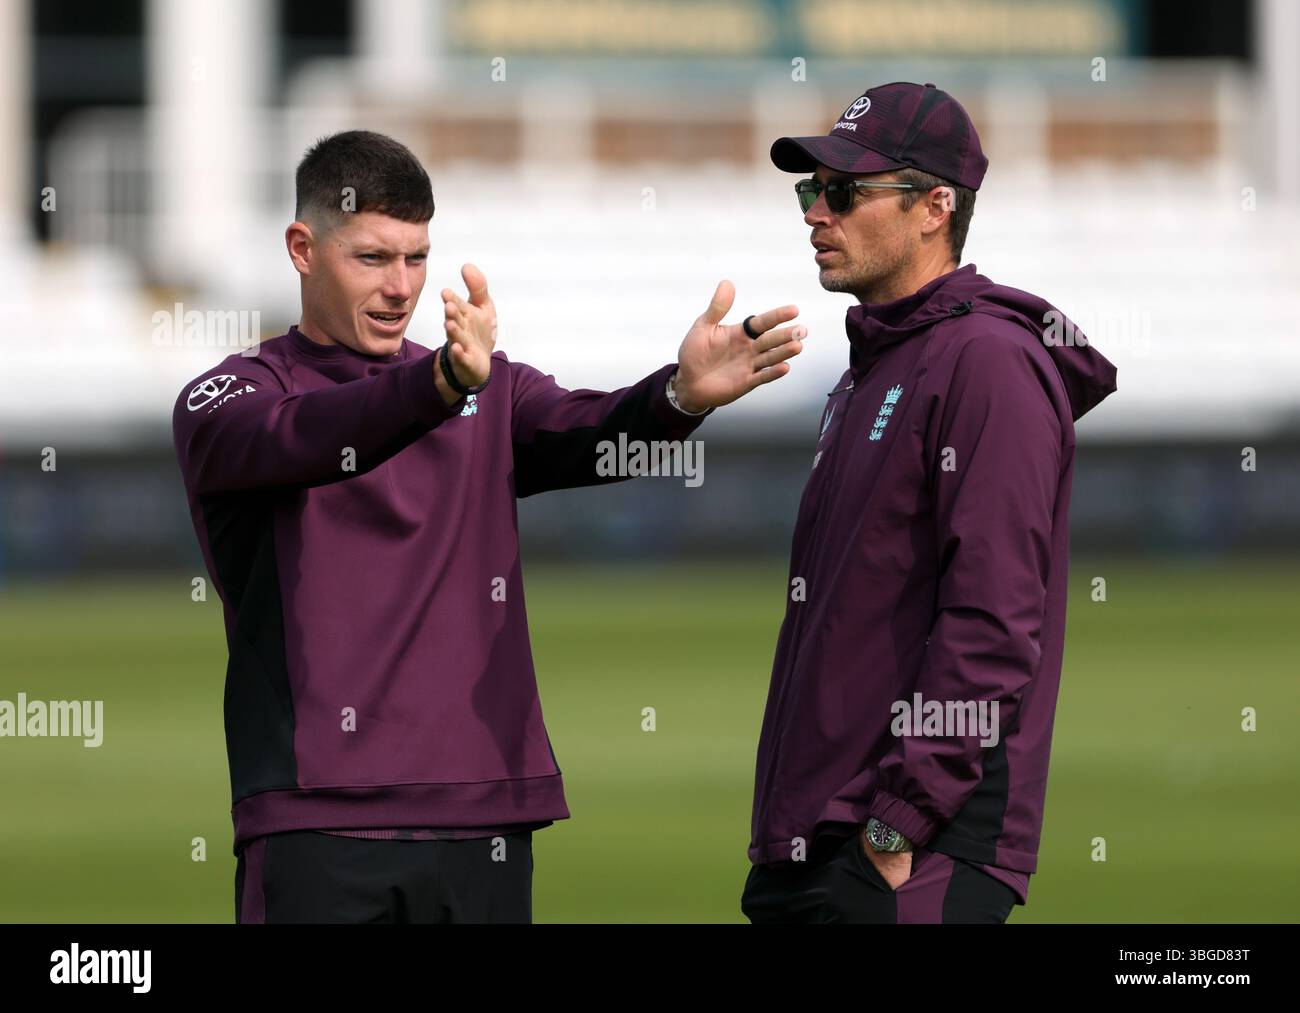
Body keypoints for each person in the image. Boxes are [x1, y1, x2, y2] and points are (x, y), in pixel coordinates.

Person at [172, 129, 805, 923]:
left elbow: (593, 434)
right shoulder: (232, 397)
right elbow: (304, 439)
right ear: (303, 249)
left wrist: (677, 397)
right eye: (372, 258)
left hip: (485, 820)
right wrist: (436, 384)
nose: (400, 286)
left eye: (416, 258)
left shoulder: (485, 387)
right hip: (316, 817)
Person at [741, 82, 1118, 923]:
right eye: (812, 191)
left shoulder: (987, 360)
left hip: (912, 848)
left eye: (843, 191)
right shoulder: (872, 367)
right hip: (820, 838)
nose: (815, 213)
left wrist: (896, 823)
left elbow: (992, 619)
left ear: (934, 207)